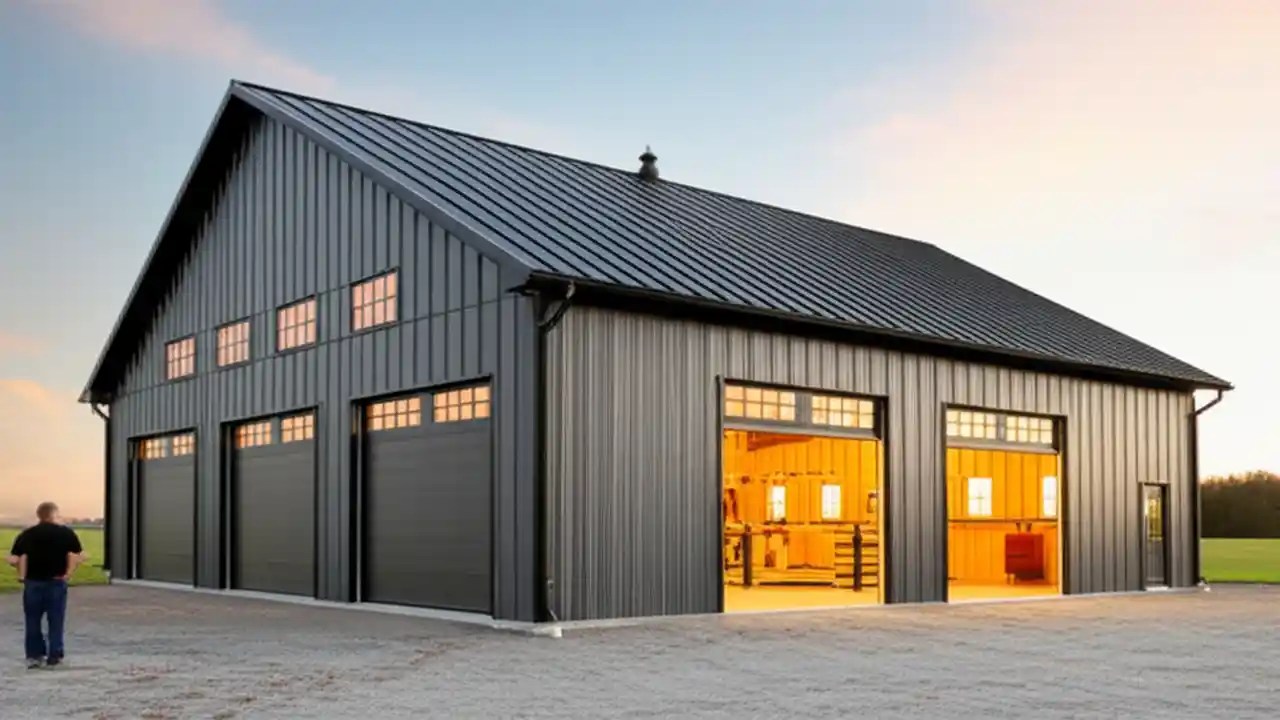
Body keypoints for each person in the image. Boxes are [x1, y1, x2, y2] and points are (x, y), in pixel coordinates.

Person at [6, 502, 85, 669]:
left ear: (39, 515)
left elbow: (14, 558)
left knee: (32, 620)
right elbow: (76, 554)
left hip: (33, 583)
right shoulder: (66, 533)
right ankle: (54, 655)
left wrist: (19, 570)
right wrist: (68, 574)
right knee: (56, 619)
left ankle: (34, 656)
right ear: (54, 514)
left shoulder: (26, 534)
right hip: (57, 581)